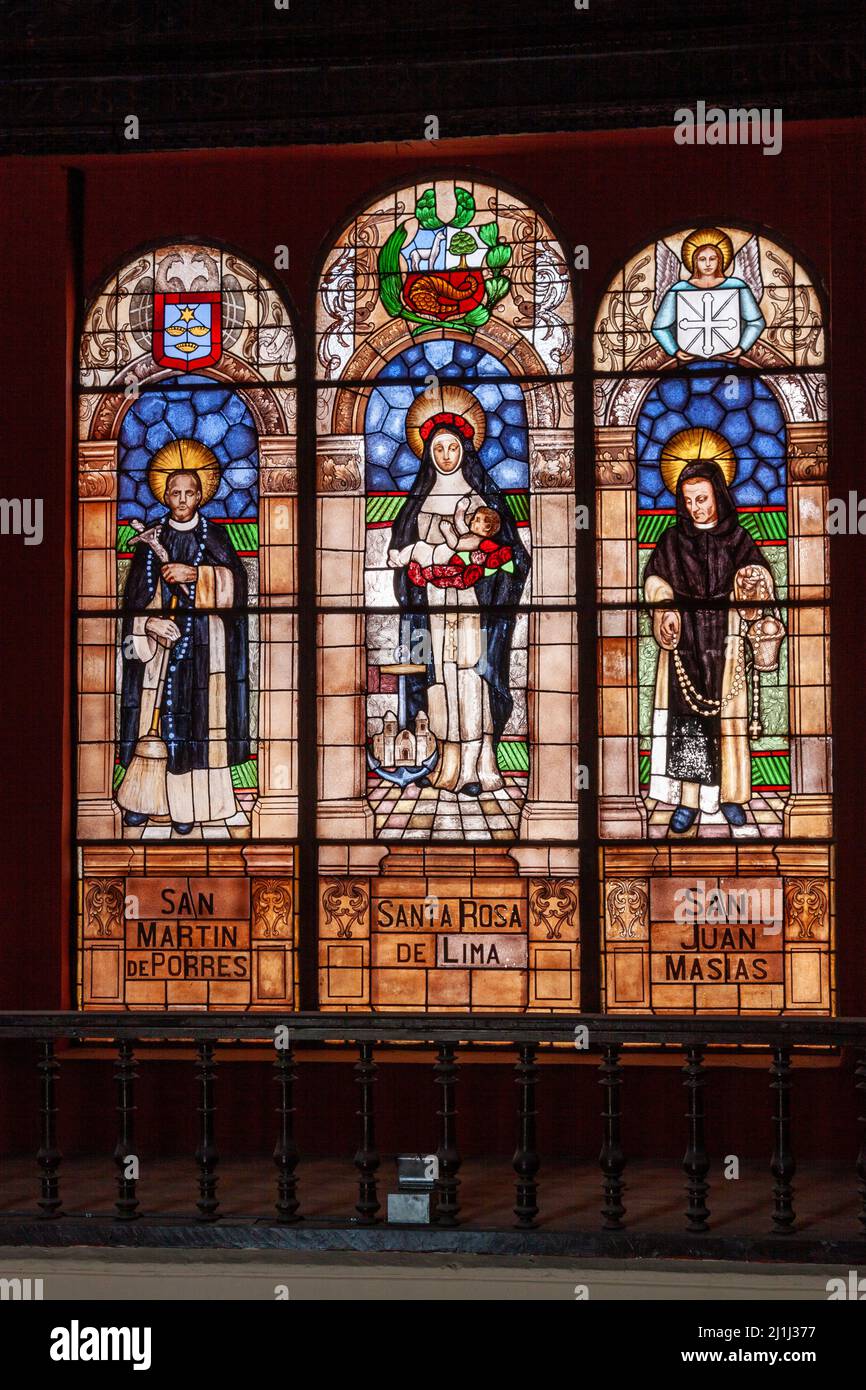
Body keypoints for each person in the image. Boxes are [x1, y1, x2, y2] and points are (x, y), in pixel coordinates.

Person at [387, 399, 529, 796]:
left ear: (465, 450)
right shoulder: (418, 500)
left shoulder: (483, 499)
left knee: (473, 675)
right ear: (428, 454)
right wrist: (422, 567)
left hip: (473, 608)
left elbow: (513, 557)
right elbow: (401, 554)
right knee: (439, 678)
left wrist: (479, 568)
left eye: (452, 447)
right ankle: (448, 764)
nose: (446, 455)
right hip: (433, 606)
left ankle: (481, 764)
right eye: (438, 449)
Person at [644, 457, 778, 834]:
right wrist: (664, 608)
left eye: (701, 498)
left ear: (717, 494)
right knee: (688, 723)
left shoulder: (738, 538)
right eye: (687, 500)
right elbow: (654, 579)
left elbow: (758, 576)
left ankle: (732, 796)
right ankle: (688, 801)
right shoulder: (672, 540)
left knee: (729, 722)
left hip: (726, 637)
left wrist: (754, 580)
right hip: (685, 638)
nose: (695, 507)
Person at [119, 466, 250, 834]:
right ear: (165, 496)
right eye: (174, 493)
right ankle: (144, 800)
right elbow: (134, 599)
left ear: (200, 496)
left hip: (207, 646)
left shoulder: (216, 536)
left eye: (189, 493)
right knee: (153, 722)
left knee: (200, 725)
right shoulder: (151, 540)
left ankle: (189, 806)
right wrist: (149, 624)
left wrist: (198, 576)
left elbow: (237, 586)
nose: (181, 500)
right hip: (160, 647)